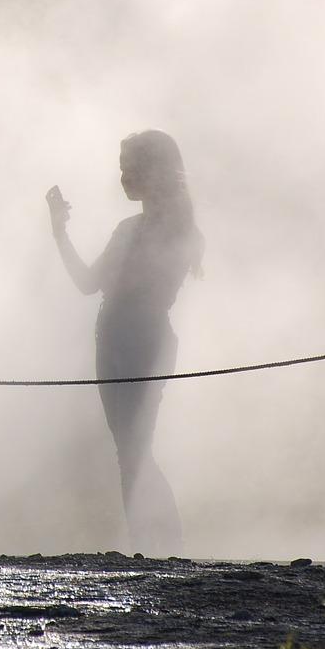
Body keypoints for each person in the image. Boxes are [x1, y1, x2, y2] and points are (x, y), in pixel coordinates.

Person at [46, 130, 203, 555]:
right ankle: (153, 541)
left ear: (152, 172)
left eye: (128, 168)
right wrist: (60, 233)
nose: (122, 178)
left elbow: (113, 285)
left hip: (141, 339)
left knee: (134, 448)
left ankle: (161, 541)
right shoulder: (138, 228)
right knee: (129, 449)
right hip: (114, 337)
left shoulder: (168, 230)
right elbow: (89, 284)